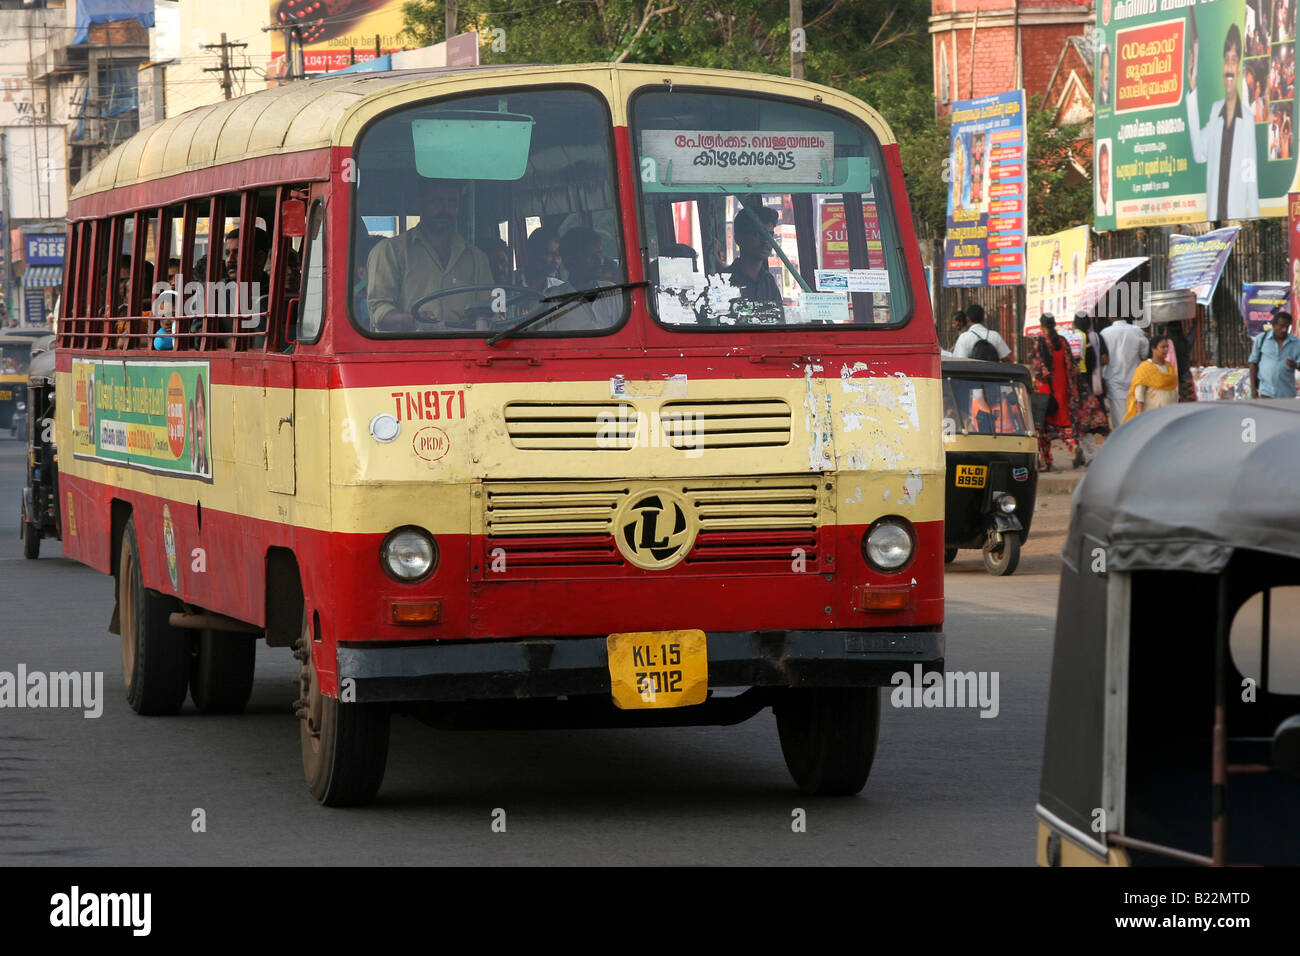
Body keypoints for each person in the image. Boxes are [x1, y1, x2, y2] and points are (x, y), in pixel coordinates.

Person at [367, 178, 494, 332]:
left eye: (452, 202)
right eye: (437, 201)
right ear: (420, 204)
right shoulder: (389, 252)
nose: (445, 209)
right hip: (408, 352)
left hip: (465, 351)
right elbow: (379, 312)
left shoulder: (477, 259)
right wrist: (414, 321)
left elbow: (490, 310)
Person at [1186, 23, 1260, 221]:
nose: (1229, 67)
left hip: (1236, 221)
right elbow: (1199, 153)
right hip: (1214, 220)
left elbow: (1250, 176)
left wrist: (1252, 220)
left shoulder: (1247, 120)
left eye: (1234, 60)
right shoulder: (1214, 112)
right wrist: (1192, 89)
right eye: (1226, 60)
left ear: (1239, 68)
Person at [1029, 314, 1083, 470]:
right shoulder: (1062, 342)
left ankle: (1047, 461)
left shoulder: (1038, 342)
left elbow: (1036, 369)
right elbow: (1071, 367)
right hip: (1061, 390)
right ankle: (1073, 447)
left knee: (1042, 428)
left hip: (1043, 390)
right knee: (1063, 423)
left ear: (1041, 326)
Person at [1100, 311, 1150, 429]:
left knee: (1119, 418)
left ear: (1111, 316)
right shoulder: (1137, 331)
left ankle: (1122, 442)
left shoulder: (1104, 333)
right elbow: (1144, 354)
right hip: (1135, 378)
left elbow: (1102, 357)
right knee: (1136, 413)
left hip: (1113, 380)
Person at [725, 206, 784, 306]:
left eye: (770, 235)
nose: (766, 241)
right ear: (739, 238)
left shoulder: (768, 281)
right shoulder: (724, 281)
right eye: (758, 234)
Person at [1072, 313, 1111, 462]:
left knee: (1082, 423)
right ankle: (1109, 451)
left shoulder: (1073, 338)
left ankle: (1087, 453)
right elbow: (1104, 359)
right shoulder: (1096, 337)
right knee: (1102, 422)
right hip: (1096, 386)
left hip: (1080, 387)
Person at [1123, 335, 1179, 421]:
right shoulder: (1145, 368)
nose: (1166, 350)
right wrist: (1140, 412)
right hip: (1152, 414)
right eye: (1163, 347)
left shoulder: (1169, 367)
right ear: (1153, 349)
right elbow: (1139, 392)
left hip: (1170, 412)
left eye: (1167, 347)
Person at [1248, 309, 1300, 398]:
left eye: (1287, 327)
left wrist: (1295, 365)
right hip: (1266, 392)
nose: (1284, 330)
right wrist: (1253, 389)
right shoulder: (1262, 339)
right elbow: (1253, 363)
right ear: (1273, 325)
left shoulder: (1296, 343)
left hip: (1287, 394)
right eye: (1281, 326)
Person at [1096, 141, 1113, 217]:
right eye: (1103, 173)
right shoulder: (1098, 209)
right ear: (1099, 175)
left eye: (1108, 173)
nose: (1106, 181)